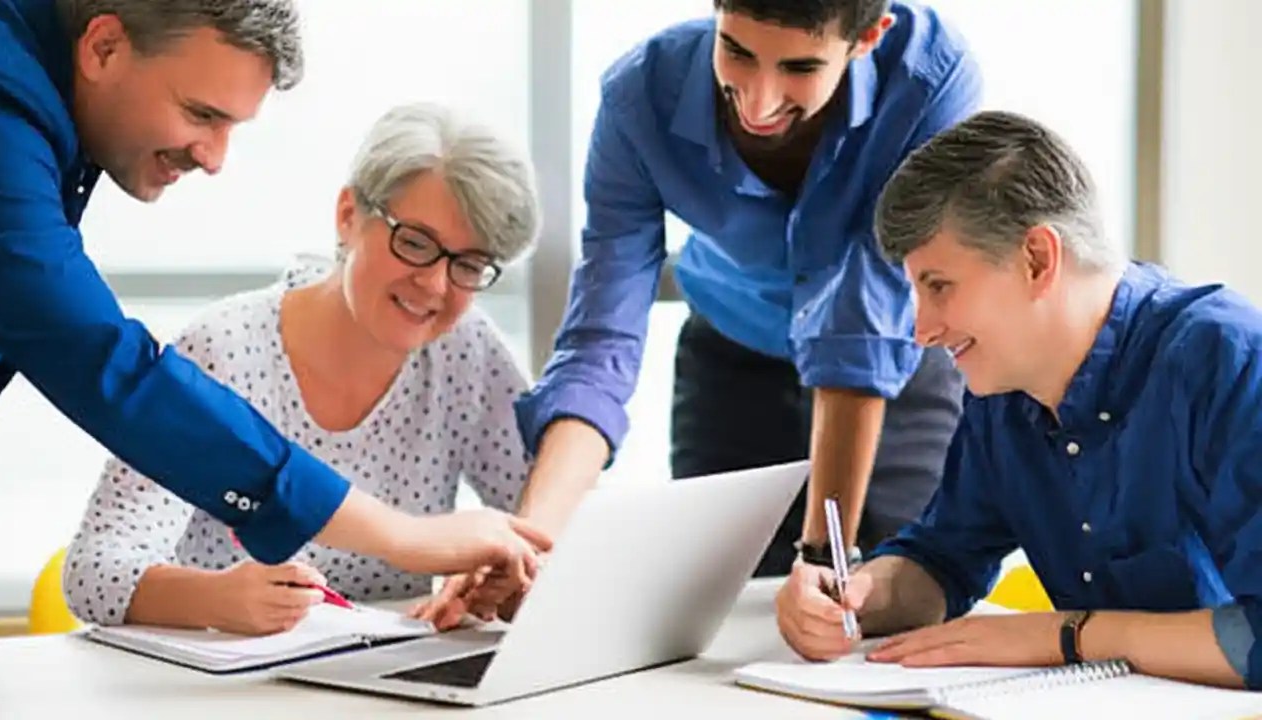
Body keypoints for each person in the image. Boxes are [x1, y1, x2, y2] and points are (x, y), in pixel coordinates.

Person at [416, 0, 983, 627]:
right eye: (736, 52)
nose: (759, 102)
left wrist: (824, 559)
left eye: (798, 66)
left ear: (866, 38)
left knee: (879, 615)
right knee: (713, 627)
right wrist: (532, 544)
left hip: (892, 380)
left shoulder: (929, 80)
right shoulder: (641, 96)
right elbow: (600, 342)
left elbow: (863, 317)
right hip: (731, 365)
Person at [0, 0, 547, 582]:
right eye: (200, 114)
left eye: (471, 264)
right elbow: (105, 364)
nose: (215, 158)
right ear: (104, 47)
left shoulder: (42, 96)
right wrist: (401, 536)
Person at [775, 110, 1260, 690]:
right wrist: (857, 595)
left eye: (939, 287)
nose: (920, 330)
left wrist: (1068, 636)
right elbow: (944, 558)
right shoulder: (1002, 391)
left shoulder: (1225, 358)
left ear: (1037, 259)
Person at [64, 103, 539, 634]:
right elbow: (93, 572)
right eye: (415, 243)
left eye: (468, 265)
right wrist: (216, 598)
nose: (435, 285)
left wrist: (502, 575)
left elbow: (549, 537)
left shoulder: (465, 351)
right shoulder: (226, 349)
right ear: (348, 216)